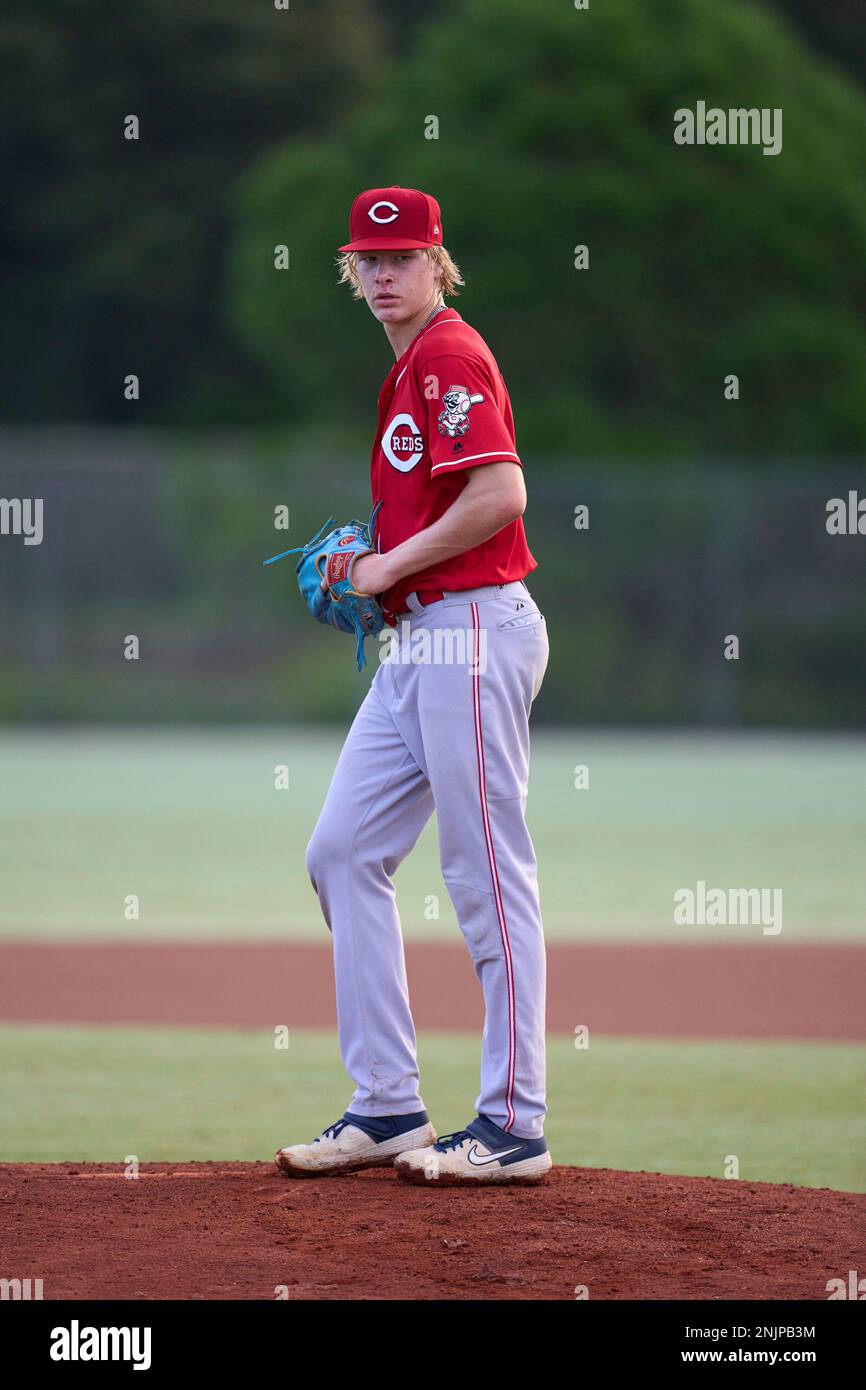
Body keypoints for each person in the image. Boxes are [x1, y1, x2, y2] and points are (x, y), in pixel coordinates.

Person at [275, 186, 551, 1185]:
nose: (383, 273)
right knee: (342, 850)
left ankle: (513, 1123)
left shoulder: (445, 355)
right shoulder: (406, 370)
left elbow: (500, 494)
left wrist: (386, 566)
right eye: (367, 261)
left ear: (439, 262)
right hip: (424, 640)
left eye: (401, 257)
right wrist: (386, 562)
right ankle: (387, 1102)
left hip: (474, 628)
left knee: (484, 878)